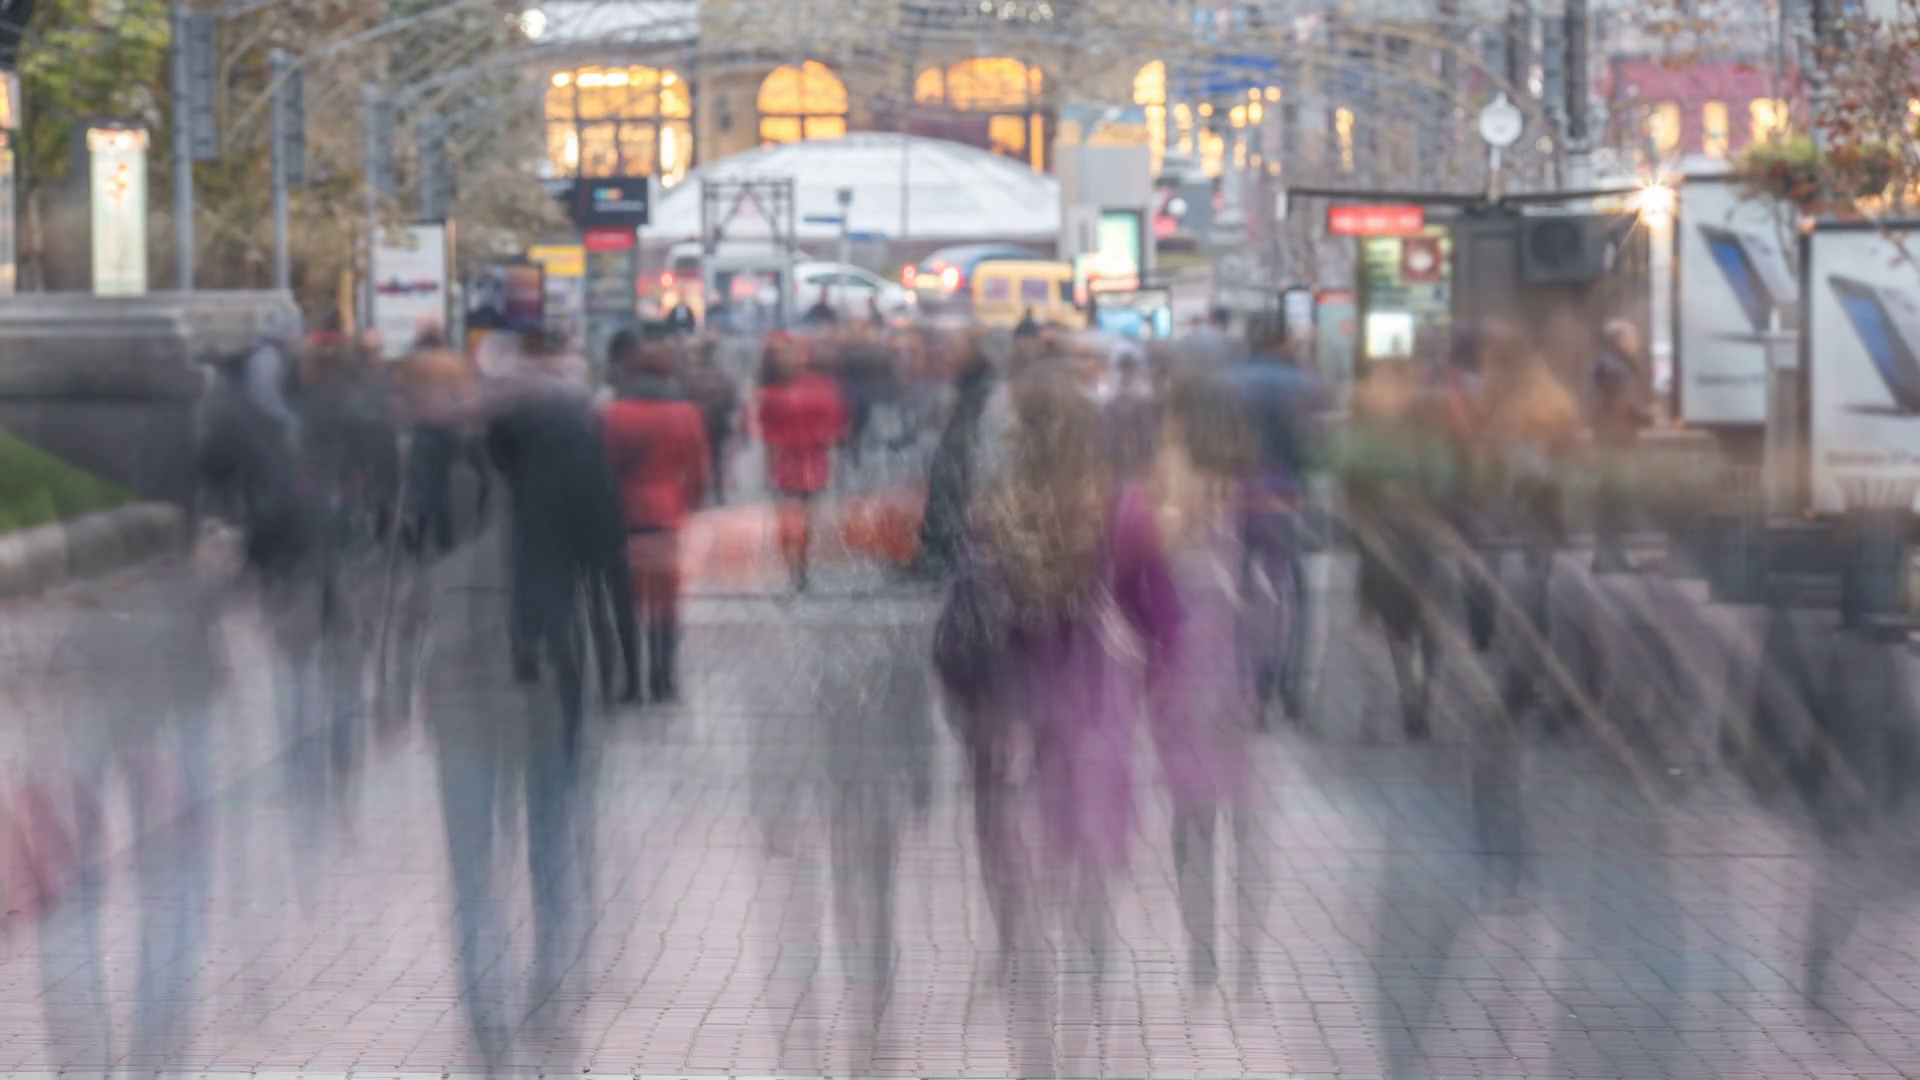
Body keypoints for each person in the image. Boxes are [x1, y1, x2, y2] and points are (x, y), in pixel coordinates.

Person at [936, 361, 1179, 978]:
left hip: (1003, 686)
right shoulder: (1122, 509)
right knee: (1081, 807)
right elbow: (1159, 613)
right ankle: (1086, 935)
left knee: (998, 814)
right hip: (1087, 689)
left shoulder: (989, 507)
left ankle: (1015, 938)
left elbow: (965, 600)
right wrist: (1158, 683)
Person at [1145, 367, 1264, 989]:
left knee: (1189, 804)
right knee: (1226, 795)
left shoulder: (1181, 466)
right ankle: (1234, 945)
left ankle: (1202, 946)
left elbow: (1159, 540)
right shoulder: (1234, 471)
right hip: (1228, 647)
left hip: (1183, 646)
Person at [488, 330, 640, 721]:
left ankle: (545, 657)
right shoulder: (583, 395)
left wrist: (523, 483)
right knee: (597, 597)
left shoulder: (516, 401)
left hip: (541, 511)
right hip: (594, 509)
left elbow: (497, 454)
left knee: (544, 588)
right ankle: (609, 675)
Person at [603, 331, 710, 704]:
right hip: (667, 517)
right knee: (664, 602)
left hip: (624, 519)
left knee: (628, 602)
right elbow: (698, 473)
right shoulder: (684, 414)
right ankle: (663, 678)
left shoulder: (613, 415)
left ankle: (631, 681)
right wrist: (688, 505)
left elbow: (604, 471)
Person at [1228, 321, 1325, 720]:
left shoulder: (1232, 382)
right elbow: (1315, 446)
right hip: (1288, 494)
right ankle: (1292, 685)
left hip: (1247, 494)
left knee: (1247, 590)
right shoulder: (1301, 382)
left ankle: (1255, 684)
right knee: (1297, 593)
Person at [755, 335, 846, 592]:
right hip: (812, 459)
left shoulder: (771, 393)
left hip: (786, 460)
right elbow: (834, 425)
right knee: (806, 514)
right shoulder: (822, 387)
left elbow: (766, 430)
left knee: (787, 514)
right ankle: (801, 567)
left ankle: (793, 567)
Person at [1590, 318, 1648, 573]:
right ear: (1621, 340)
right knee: (1616, 501)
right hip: (1618, 442)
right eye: (1633, 337)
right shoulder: (1617, 368)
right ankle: (1612, 558)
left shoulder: (1608, 364)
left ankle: (1606, 557)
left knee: (1609, 501)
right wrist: (1649, 417)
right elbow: (1625, 405)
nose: (1637, 342)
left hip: (1608, 440)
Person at [683, 339, 741, 505]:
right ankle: (717, 491)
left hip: (698, 422)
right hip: (718, 423)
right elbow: (732, 399)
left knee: (698, 458)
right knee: (716, 459)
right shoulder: (722, 377)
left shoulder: (694, 377)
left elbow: (686, 397)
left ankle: (701, 491)